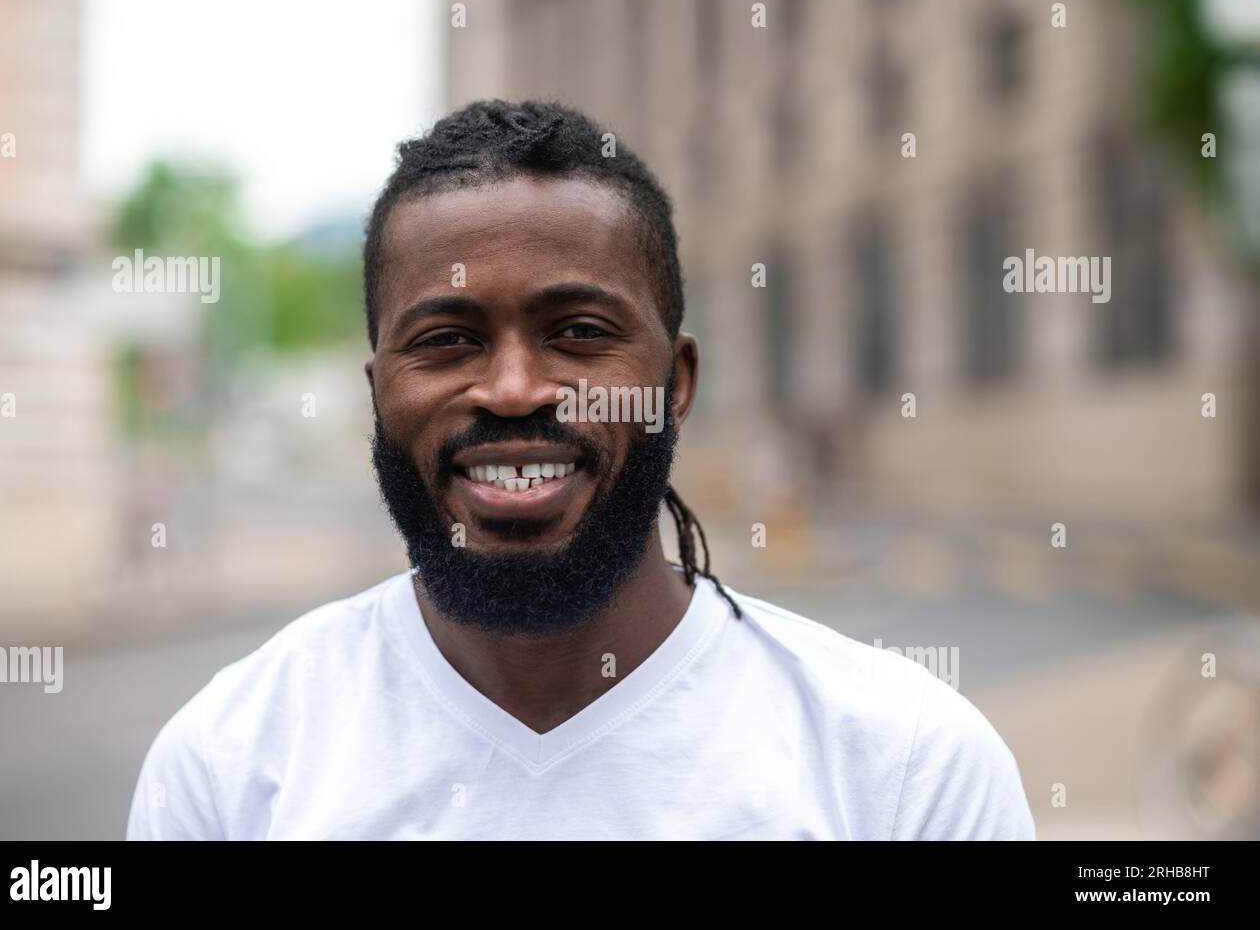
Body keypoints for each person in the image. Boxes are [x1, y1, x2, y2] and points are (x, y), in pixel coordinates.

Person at [126, 99, 1035, 840]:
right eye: (447, 341)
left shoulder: (908, 769)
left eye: (580, 334)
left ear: (674, 384)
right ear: (380, 392)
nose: (515, 390)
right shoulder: (229, 768)